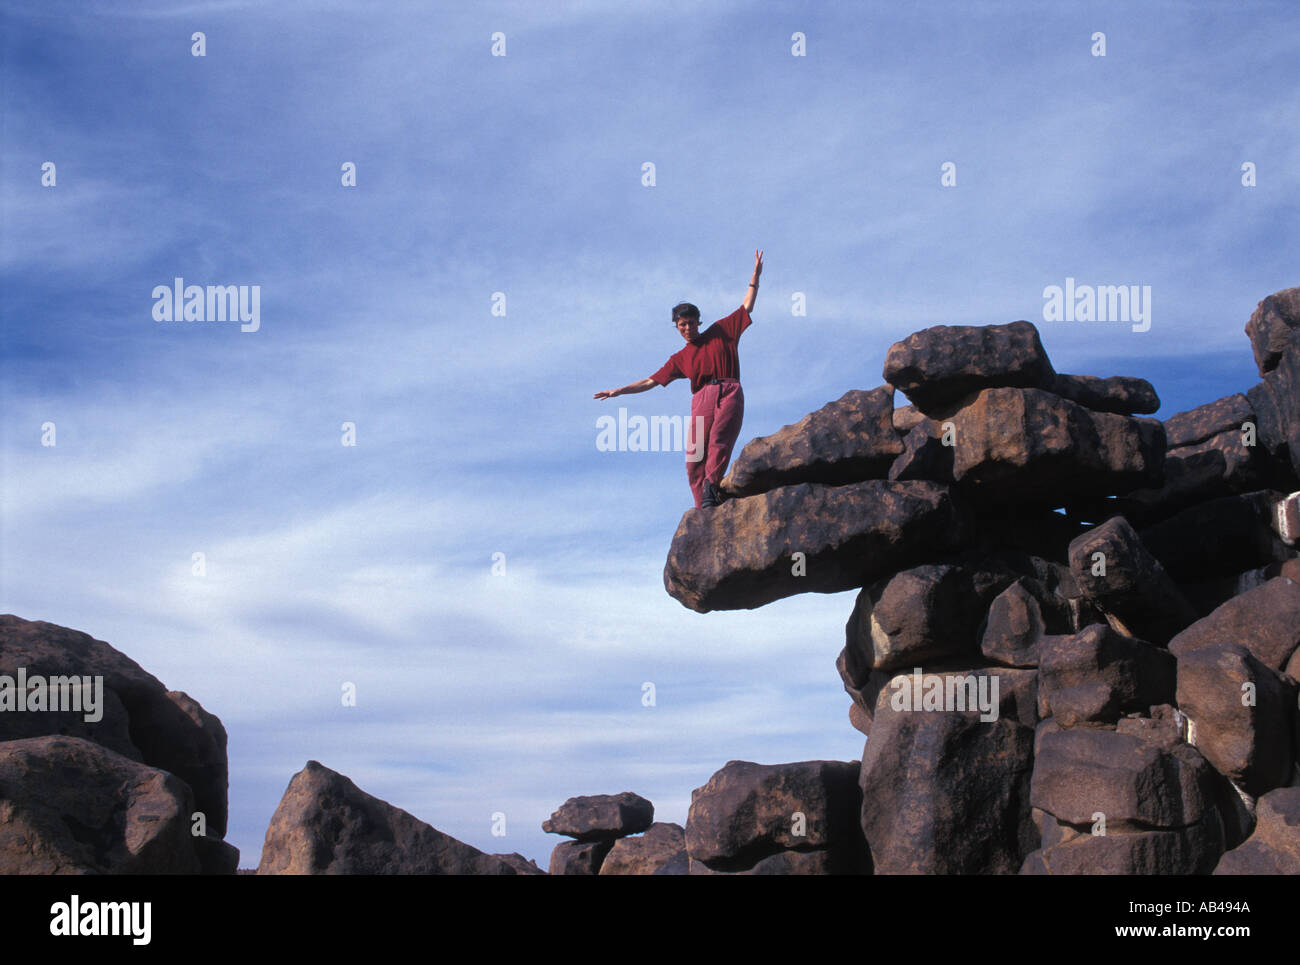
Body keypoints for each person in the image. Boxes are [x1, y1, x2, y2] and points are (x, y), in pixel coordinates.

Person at [595, 250, 763, 508]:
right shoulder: (680, 357)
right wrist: (619, 391)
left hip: (728, 389)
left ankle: (711, 487)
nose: (687, 328)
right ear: (676, 327)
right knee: (693, 456)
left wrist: (755, 277)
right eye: (681, 325)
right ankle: (703, 507)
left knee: (719, 439)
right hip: (701, 399)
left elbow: (746, 306)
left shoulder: (722, 330)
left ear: (698, 322)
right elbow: (650, 381)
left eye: (691, 323)